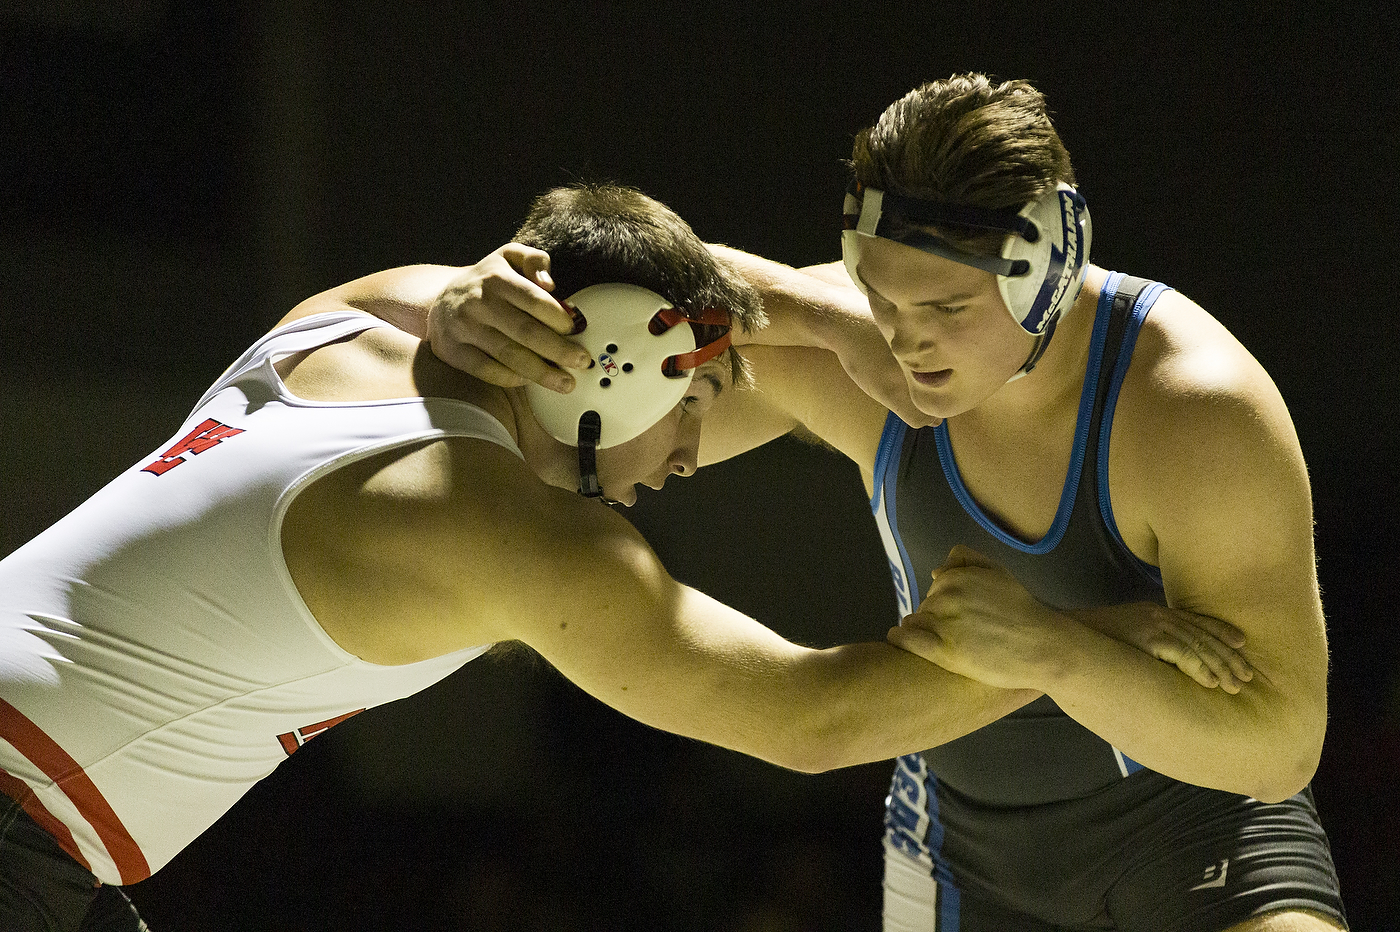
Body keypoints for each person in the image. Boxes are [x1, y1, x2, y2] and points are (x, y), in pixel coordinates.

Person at [0, 182, 1244, 931]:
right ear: (608, 363)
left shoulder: (364, 317)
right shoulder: (505, 532)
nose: (702, 450)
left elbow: (624, 274)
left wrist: (834, 330)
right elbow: (810, 716)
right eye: (699, 401)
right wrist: (1086, 642)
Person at [426, 79, 1346, 932]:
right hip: (961, 852)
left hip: (1192, 831)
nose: (906, 342)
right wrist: (476, 303)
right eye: (877, 294)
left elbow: (1278, 749)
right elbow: (631, 305)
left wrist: (1059, 648)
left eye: (946, 308)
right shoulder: (862, 356)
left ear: (1050, 267)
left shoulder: (1190, 410)